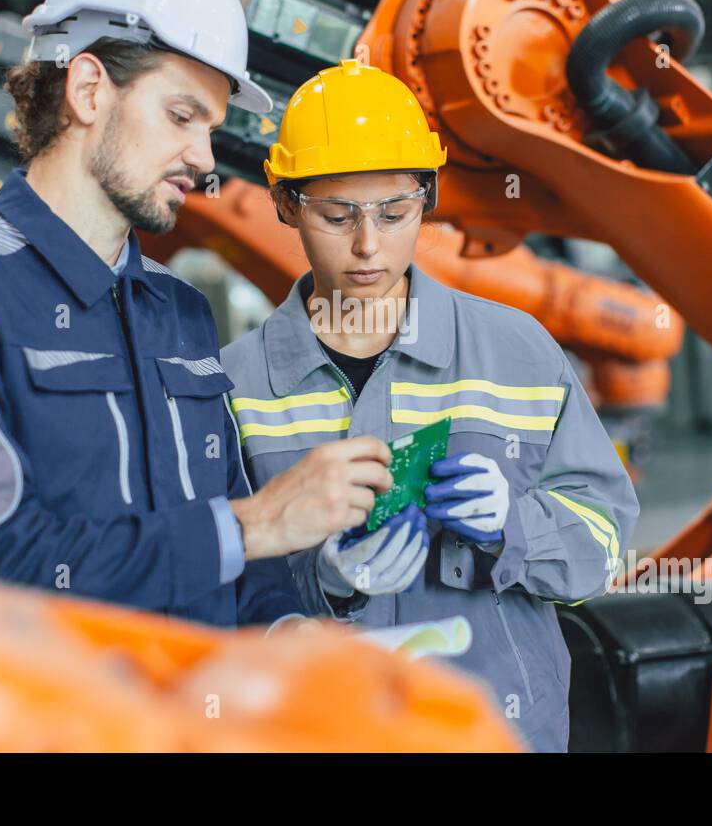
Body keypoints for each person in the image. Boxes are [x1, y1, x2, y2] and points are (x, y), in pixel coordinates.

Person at [0, 0, 393, 629]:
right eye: (181, 116)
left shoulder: (181, 312)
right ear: (87, 91)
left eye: (212, 128)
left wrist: (291, 626)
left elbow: (240, 562)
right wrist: (255, 523)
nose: (204, 160)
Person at [221, 59, 640, 749]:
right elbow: (207, 585)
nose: (368, 244)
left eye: (395, 213)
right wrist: (316, 578)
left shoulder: (519, 351)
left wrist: (516, 527)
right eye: (336, 214)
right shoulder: (236, 386)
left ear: (429, 196)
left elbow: (606, 541)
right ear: (286, 203)